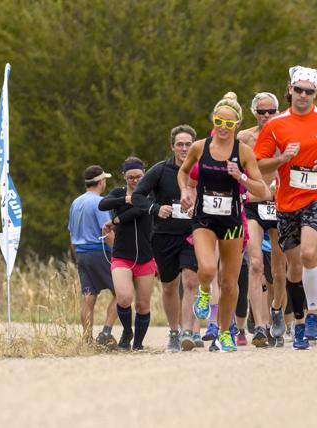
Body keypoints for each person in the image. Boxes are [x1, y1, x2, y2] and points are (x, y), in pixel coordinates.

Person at [254, 66, 317, 349]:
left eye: (309, 91)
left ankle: (312, 314)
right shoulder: (275, 124)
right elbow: (259, 164)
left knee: (309, 253)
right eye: (299, 90)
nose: (304, 95)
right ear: (290, 89)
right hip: (286, 203)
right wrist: (282, 158)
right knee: (293, 266)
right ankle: (297, 323)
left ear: (315, 93)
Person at [180, 92, 269, 352]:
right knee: (207, 269)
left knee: (230, 283)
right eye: (219, 121)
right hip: (204, 220)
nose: (223, 127)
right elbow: (184, 171)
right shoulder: (200, 147)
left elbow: (263, 191)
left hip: (232, 222)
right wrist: (185, 191)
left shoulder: (244, 152)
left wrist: (241, 177)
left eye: (229, 123)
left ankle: (224, 332)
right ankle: (204, 292)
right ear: (214, 120)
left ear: (237, 125)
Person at [133, 125, 202, 352]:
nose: (184, 148)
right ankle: (174, 332)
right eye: (180, 144)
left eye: (188, 144)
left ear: (195, 146)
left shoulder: (201, 170)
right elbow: (137, 195)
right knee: (170, 286)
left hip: (193, 234)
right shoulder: (160, 170)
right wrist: (155, 208)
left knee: (191, 281)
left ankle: (188, 331)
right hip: (164, 236)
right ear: (172, 146)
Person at [238, 92, 282, 348]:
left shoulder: (286, 134)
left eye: (271, 111)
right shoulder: (244, 138)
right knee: (255, 264)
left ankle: (277, 314)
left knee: (279, 269)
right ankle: (261, 326)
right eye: (262, 111)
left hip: (280, 203)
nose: (266, 116)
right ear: (254, 112)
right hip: (253, 204)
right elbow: (235, 168)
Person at [98, 158, 156, 350]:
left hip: (145, 255)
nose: (135, 181)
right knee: (123, 298)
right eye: (130, 177)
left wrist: (115, 220)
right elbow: (103, 204)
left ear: (145, 174)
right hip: (122, 255)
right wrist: (125, 199)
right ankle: (127, 331)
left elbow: (139, 211)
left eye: (139, 176)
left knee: (143, 305)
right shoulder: (118, 193)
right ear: (124, 176)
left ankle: (137, 344)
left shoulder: (150, 194)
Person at [68, 165, 118, 346]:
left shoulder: (76, 202)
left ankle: (87, 338)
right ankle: (106, 332)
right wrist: (118, 252)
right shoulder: (100, 202)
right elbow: (106, 231)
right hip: (99, 251)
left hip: (81, 253)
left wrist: (76, 255)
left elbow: (71, 233)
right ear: (101, 182)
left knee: (89, 296)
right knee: (121, 293)